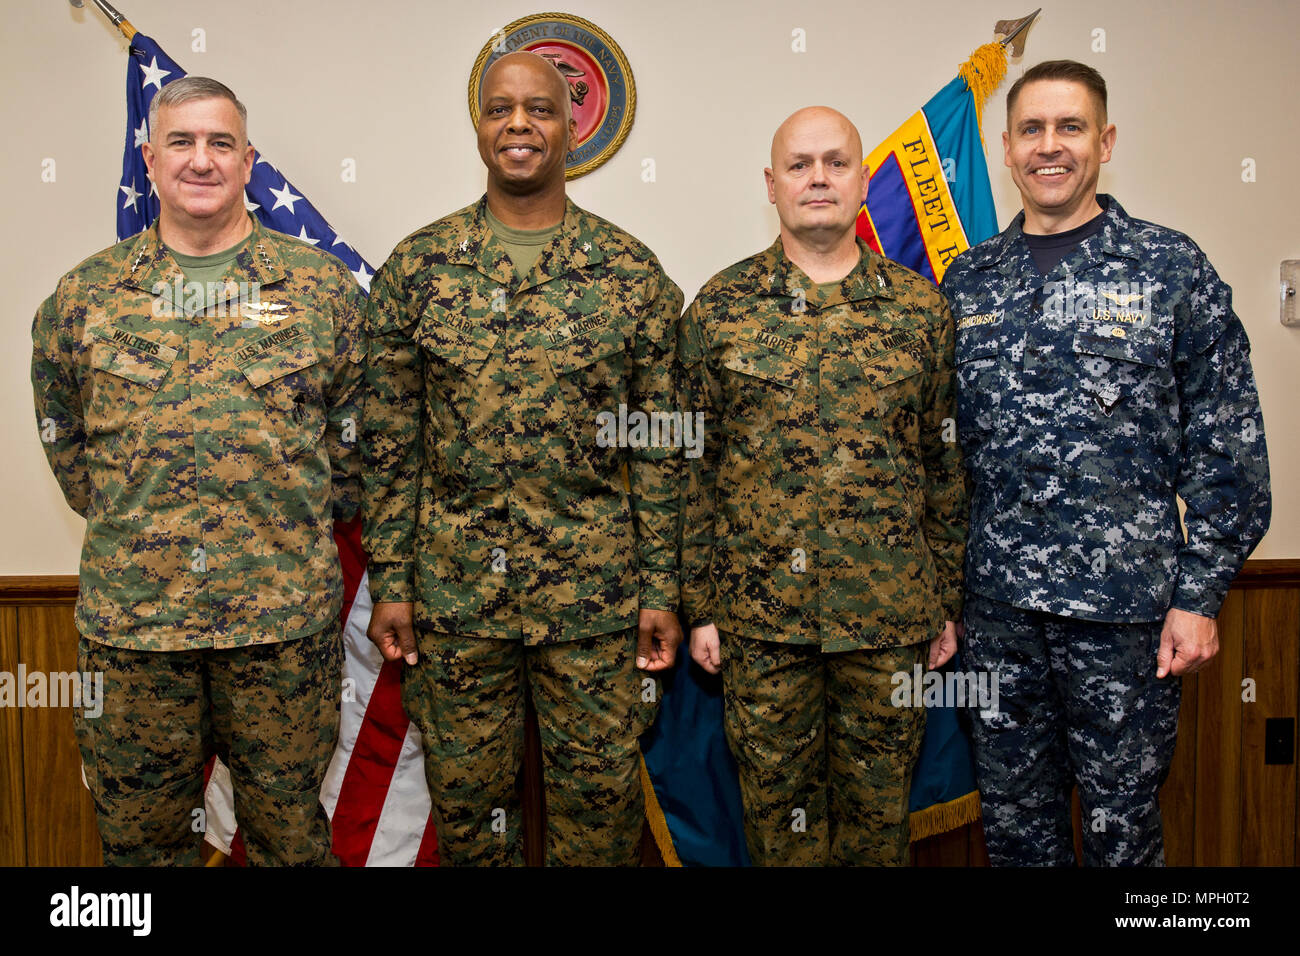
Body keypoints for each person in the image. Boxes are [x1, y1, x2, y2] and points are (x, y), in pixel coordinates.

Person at [940, 59, 1272, 866]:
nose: (1049, 146)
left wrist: (1199, 597)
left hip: (1125, 620)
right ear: (1007, 149)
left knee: (1122, 831)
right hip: (998, 618)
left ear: (1106, 141)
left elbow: (1229, 447)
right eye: (1031, 129)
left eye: (1071, 127)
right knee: (1015, 831)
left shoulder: (1170, 269)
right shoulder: (968, 281)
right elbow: (941, 456)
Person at [30, 76, 366, 865]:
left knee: (291, 845)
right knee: (142, 851)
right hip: (136, 636)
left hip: (281, 633)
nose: (201, 160)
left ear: (248, 161)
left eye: (221, 143)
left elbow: (353, 452)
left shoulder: (321, 293)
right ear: (149, 159)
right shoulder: (84, 299)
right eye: (181, 142)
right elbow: (69, 446)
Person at [362, 51, 684, 866]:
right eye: (500, 108)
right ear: (478, 126)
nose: (519, 125)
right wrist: (392, 581)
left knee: (600, 820)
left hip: (595, 604)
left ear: (571, 127)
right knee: (473, 821)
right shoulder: (419, 269)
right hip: (456, 600)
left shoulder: (630, 274)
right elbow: (393, 446)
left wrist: (660, 589)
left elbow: (661, 452)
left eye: (539, 109)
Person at [681, 107, 968, 865]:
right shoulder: (719, 309)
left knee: (879, 830)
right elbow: (693, 470)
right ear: (771, 184)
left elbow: (944, 466)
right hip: (760, 625)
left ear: (863, 182)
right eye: (800, 165)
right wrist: (700, 608)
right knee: (780, 830)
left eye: (837, 163)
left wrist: (945, 601)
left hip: (889, 622)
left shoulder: (921, 310)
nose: (818, 179)